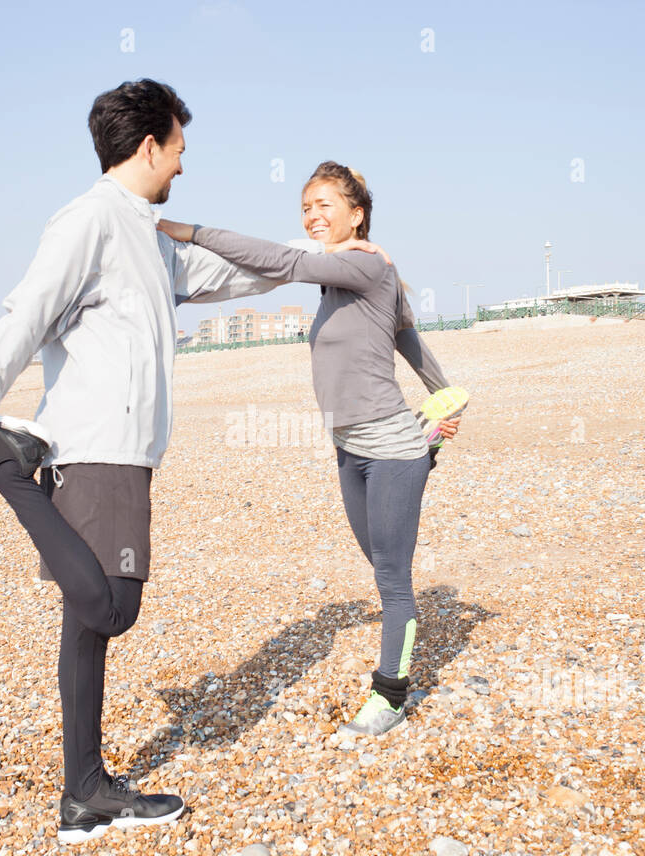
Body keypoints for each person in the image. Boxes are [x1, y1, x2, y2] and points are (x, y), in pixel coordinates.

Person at [0, 82, 376, 842]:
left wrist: (319, 256)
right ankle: (7, 467)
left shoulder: (149, 236)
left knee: (85, 623)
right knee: (112, 607)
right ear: (148, 148)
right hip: (98, 445)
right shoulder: (92, 221)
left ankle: (83, 796)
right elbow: (29, 309)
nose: (181, 164)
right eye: (178, 149)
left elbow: (230, 273)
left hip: (118, 447)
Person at [157, 161, 463, 739]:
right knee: (378, 563)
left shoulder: (363, 267)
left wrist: (189, 232)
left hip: (389, 444)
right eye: (305, 207)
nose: (313, 215)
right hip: (348, 445)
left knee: (394, 579)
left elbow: (285, 260)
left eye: (325, 205)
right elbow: (402, 332)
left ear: (357, 214)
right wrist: (445, 394)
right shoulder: (351, 273)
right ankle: (423, 450)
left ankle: (390, 696)